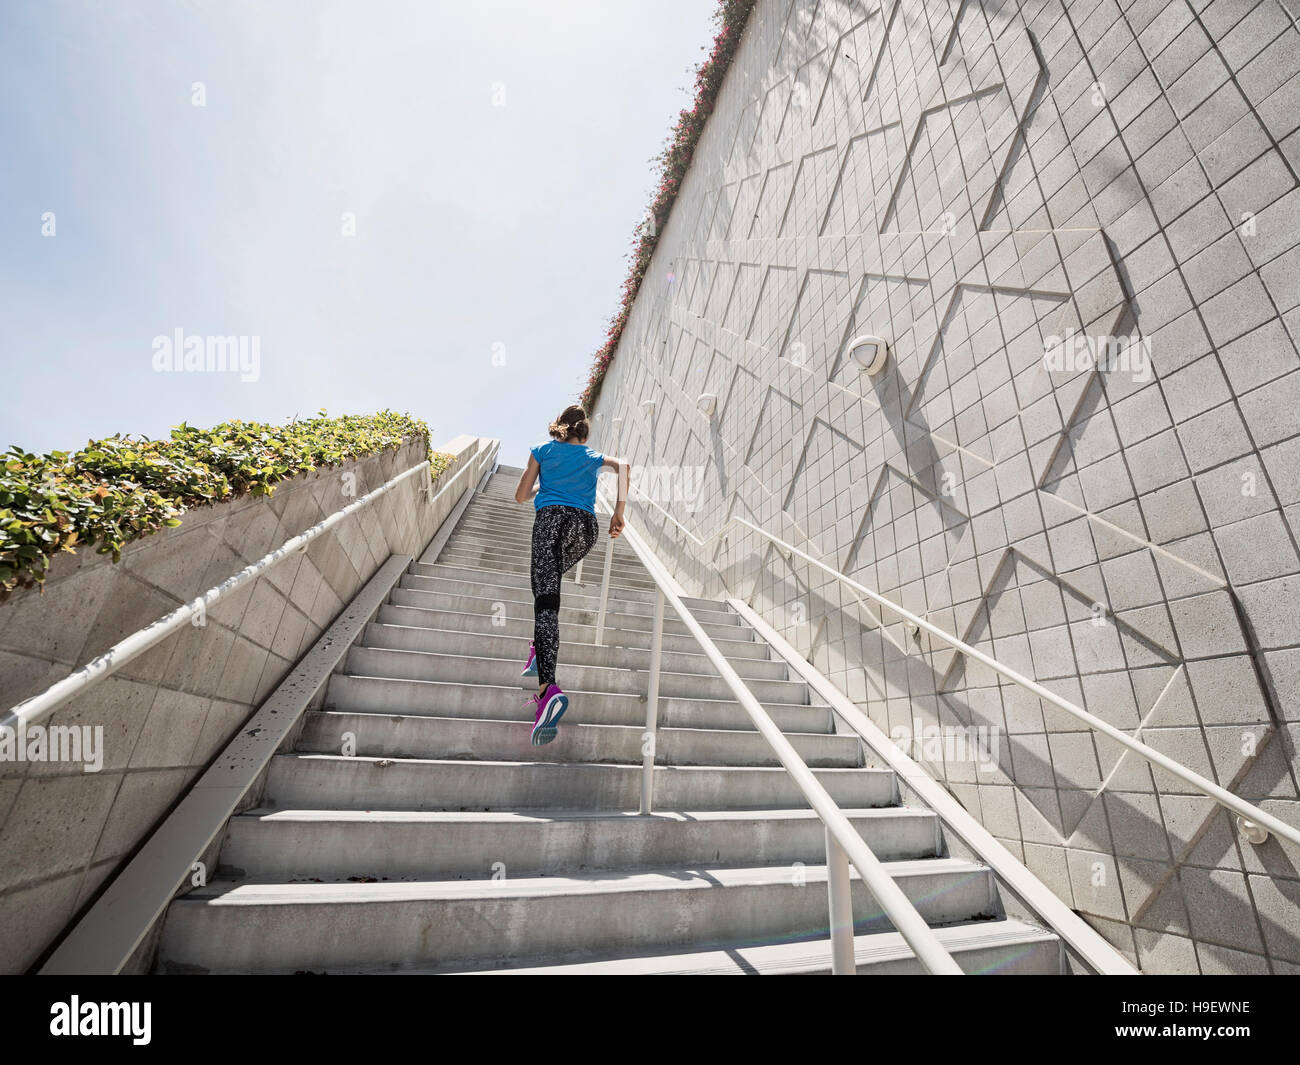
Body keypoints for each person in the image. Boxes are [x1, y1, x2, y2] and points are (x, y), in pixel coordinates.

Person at [514, 405, 630, 745]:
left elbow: (520, 496)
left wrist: (542, 486)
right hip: (585, 528)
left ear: (560, 427)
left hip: (550, 522)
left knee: (546, 600)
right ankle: (539, 646)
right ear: (584, 433)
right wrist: (619, 513)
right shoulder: (590, 455)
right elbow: (623, 466)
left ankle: (548, 690)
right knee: (550, 587)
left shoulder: (543, 451)